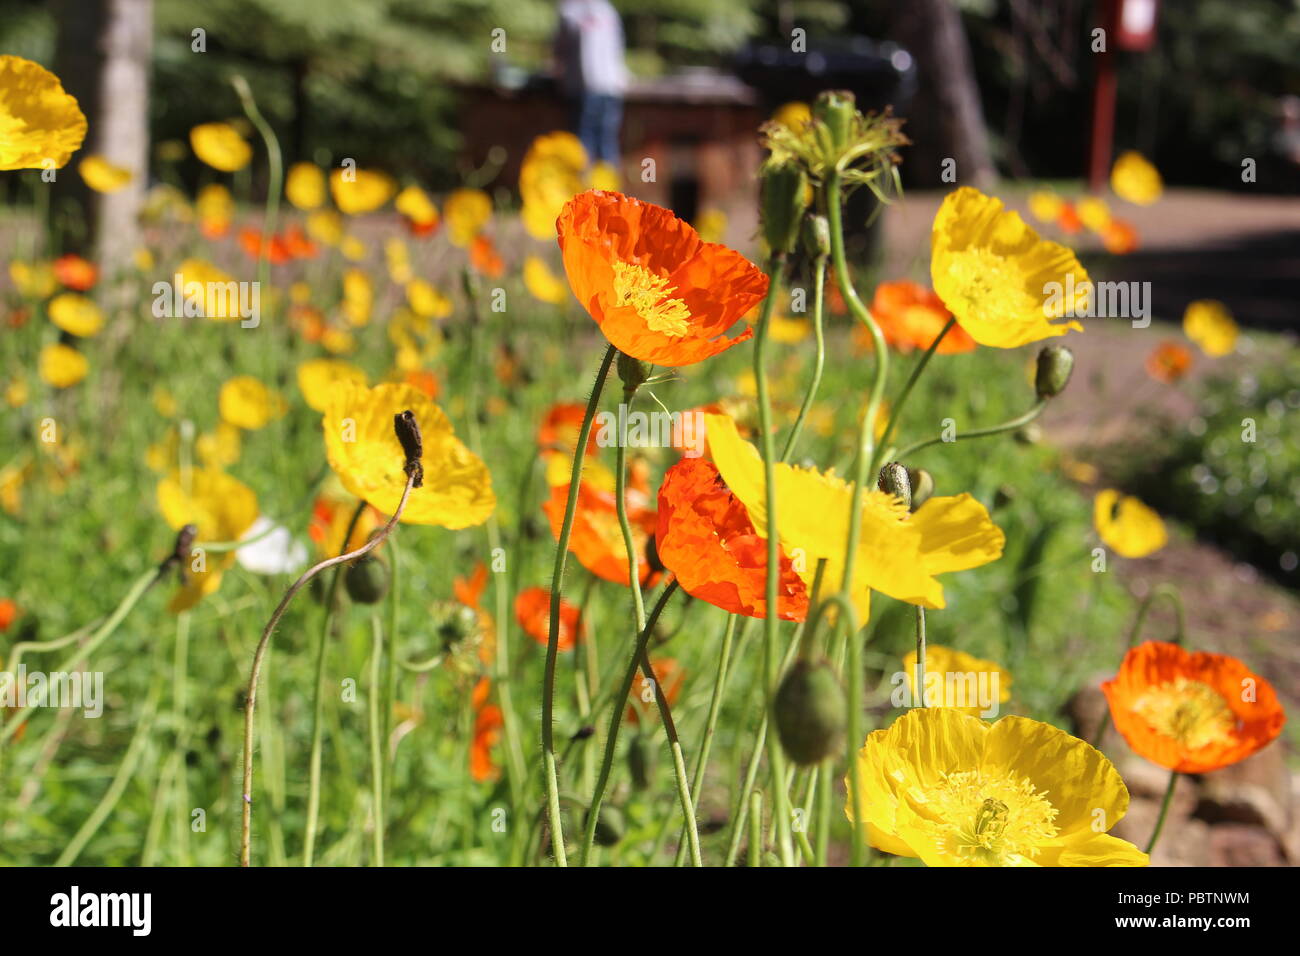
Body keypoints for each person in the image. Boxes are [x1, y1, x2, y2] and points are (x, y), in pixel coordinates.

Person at [554, 0, 627, 167]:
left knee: (582, 144)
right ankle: (610, 191)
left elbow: (559, 53)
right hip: (612, 86)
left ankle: (583, 191)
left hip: (585, 86)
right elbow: (619, 47)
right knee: (608, 143)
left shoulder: (569, 11)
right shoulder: (607, 10)